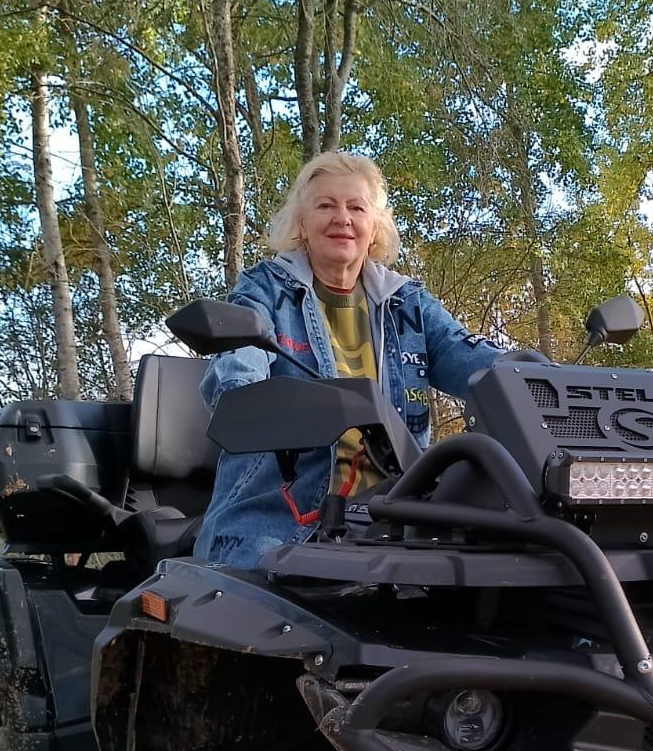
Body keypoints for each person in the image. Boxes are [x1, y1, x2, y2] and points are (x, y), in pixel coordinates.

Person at [194, 152, 507, 568]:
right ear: (302, 223)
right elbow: (238, 373)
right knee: (280, 607)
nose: (342, 218)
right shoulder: (265, 289)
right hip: (281, 517)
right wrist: (254, 400)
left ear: (374, 227)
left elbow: (472, 359)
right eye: (326, 205)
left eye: (356, 207)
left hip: (395, 518)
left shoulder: (407, 303)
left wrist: (535, 375)